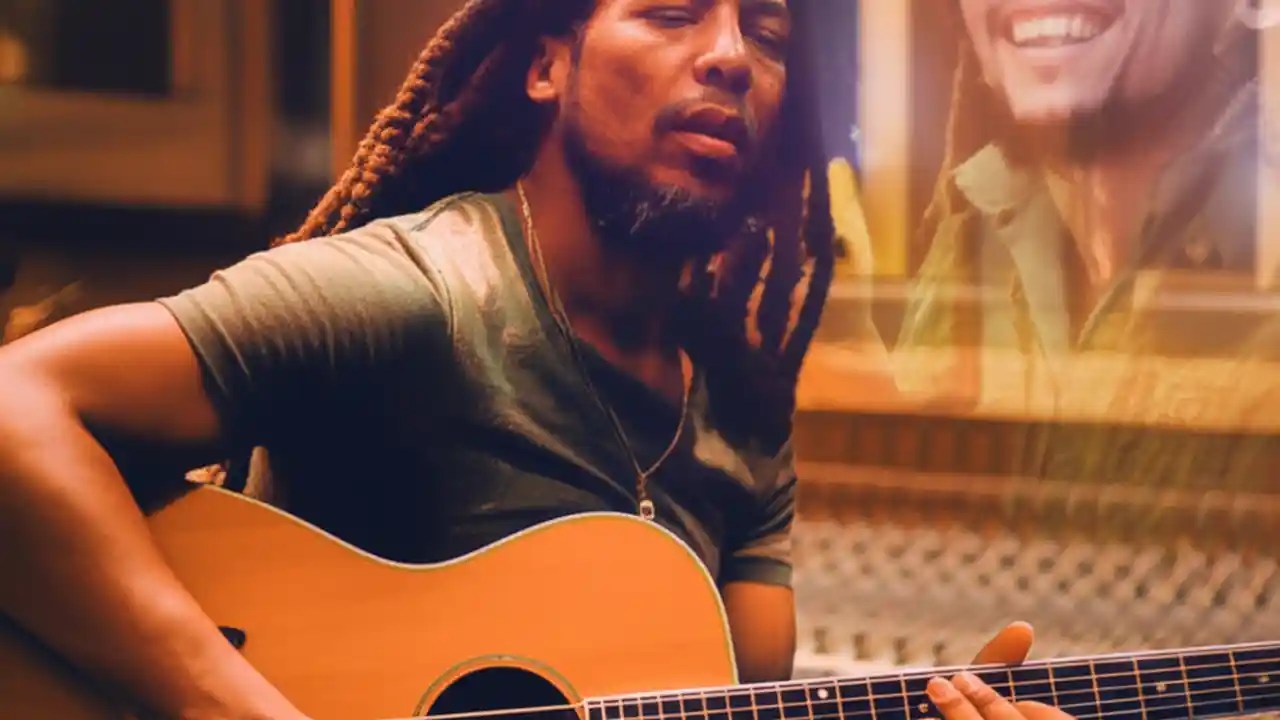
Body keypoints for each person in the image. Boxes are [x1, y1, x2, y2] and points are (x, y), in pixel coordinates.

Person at [0, 1, 1071, 718]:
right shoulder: (417, 294)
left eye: (768, 31)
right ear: (548, 64)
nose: (731, 57)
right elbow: (16, 407)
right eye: (670, 11)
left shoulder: (742, 418)